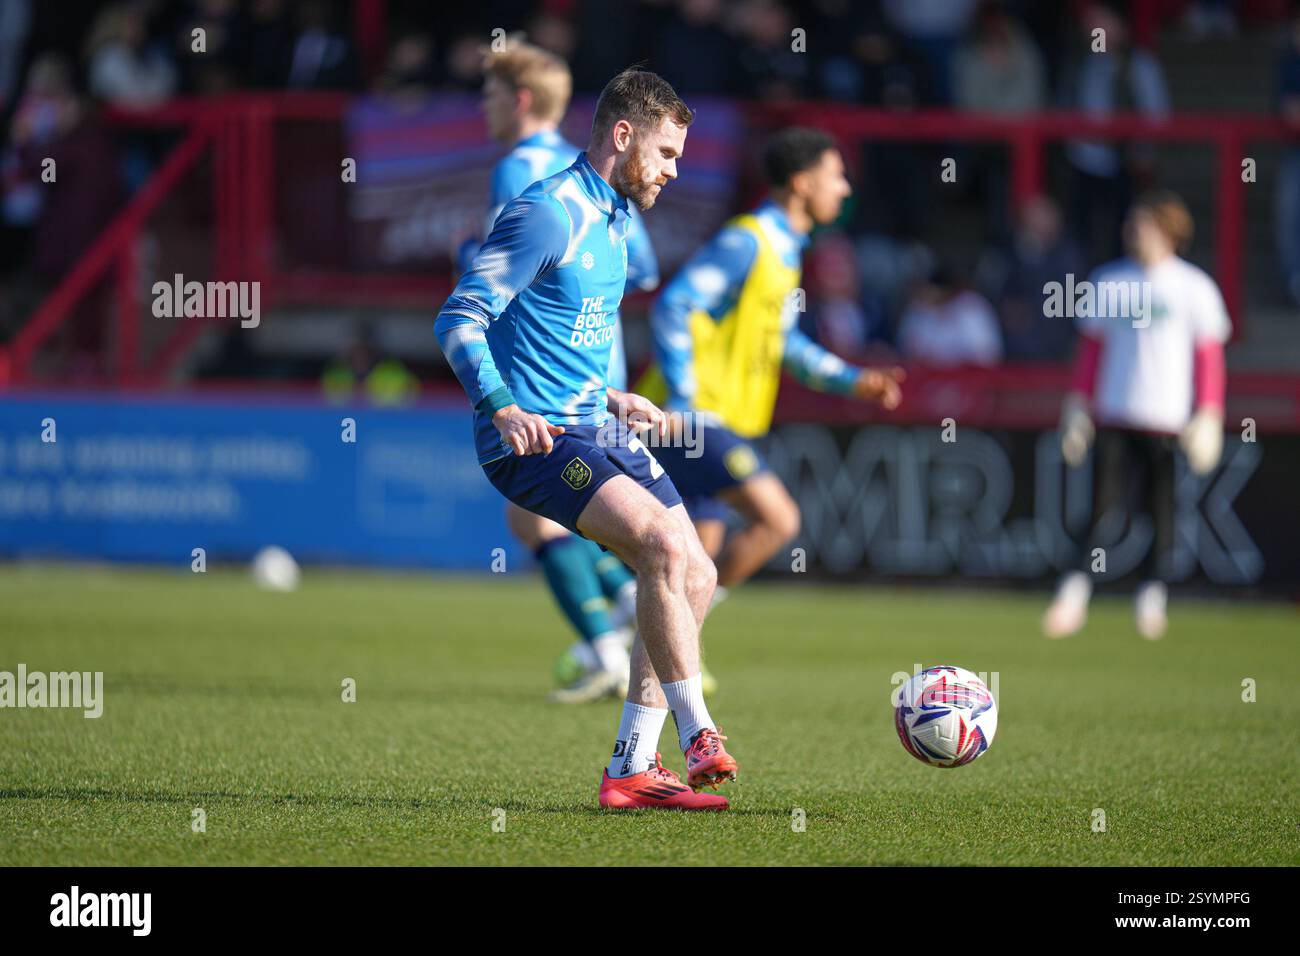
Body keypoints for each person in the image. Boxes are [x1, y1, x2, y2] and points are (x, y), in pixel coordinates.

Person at [435, 68, 734, 811]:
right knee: (661, 550)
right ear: (623, 136)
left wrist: (608, 393)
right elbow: (459, 319)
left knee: (696, 574)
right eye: (666, 154)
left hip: (592, 421)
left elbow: (547, 332)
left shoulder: (618, 218)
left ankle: (632, 766)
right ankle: (700, 735)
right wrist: (502, 408)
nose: (673, 170)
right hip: (530, 442)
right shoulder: (547, 211)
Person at [457, 38, 661, 705]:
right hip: (601, 372)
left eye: (489, 94)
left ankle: (610, 638)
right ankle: (627, 614)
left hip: (551, 385)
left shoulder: (520, 172)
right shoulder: (594, 173)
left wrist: (469, 250)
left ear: (519, 99)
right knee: (584, 517)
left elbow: (495, 287)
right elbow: (647, 268)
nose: (483, 106)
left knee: (536, 517)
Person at [639, 127, 903, 605]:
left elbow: (785, 345)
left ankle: (624, 641)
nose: (844, 188)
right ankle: (623, 636)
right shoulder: (748, 241)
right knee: (777, 520)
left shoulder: (785, 251)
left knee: (694, 559)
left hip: (726, 419)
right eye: (836, 176)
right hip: (697, 418)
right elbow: (674, 306)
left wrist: (854, 381)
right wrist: (682, 399)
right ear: (802, 183)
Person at [1045, 191, 1229, 640]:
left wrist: (1209, 413)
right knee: (1103, 510)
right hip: (1114, 415)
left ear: (1168, 232)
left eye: (1143, 225)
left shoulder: (1194, 288)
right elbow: (1091, 351)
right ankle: (1073, 593)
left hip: (1167, 420)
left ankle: (1152, 597)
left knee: (1159, 512)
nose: (1134, 233)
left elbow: (1208, 356)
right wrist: (1077, 404)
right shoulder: (1109, 282)